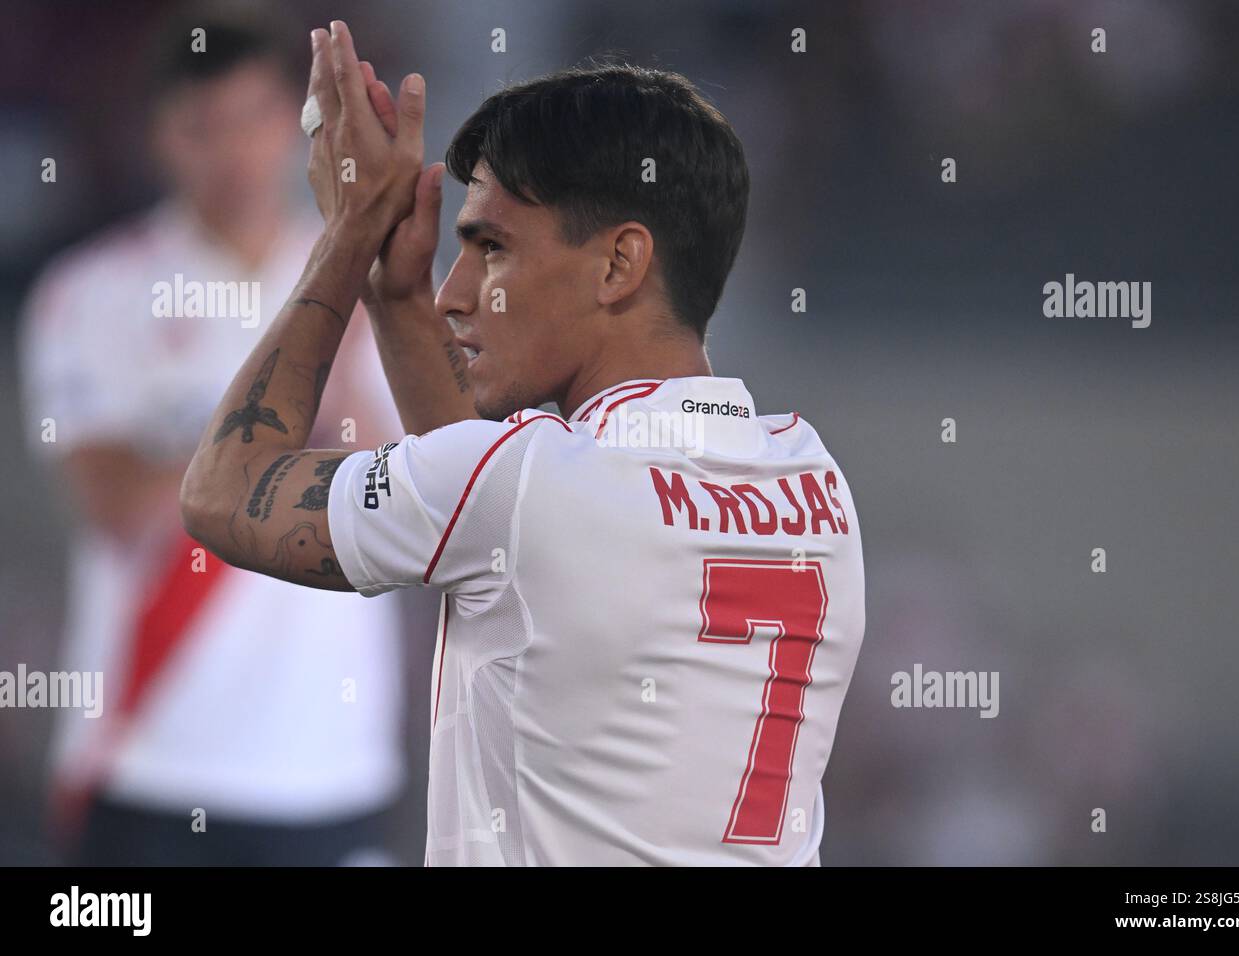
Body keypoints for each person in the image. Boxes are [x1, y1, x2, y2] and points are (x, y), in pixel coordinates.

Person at [181, 20, 865, 865]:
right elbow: (498, 525)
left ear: (619, 266)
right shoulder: (813, 481)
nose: (454, 294)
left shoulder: (533, 480)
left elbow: (223, 488)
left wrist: (345, 235)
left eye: (492, 249)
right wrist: (394, 297)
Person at [19, 9, 405, 865]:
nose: (232, 152)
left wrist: (235, 441)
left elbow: (411, 491)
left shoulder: (376, 284)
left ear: (293, 125)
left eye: (253, 120)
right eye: (202, 127)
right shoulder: (93, 294)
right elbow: (120, 508)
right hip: (152, 756)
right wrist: (304, 432)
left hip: (327, 761)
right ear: (159, 134)